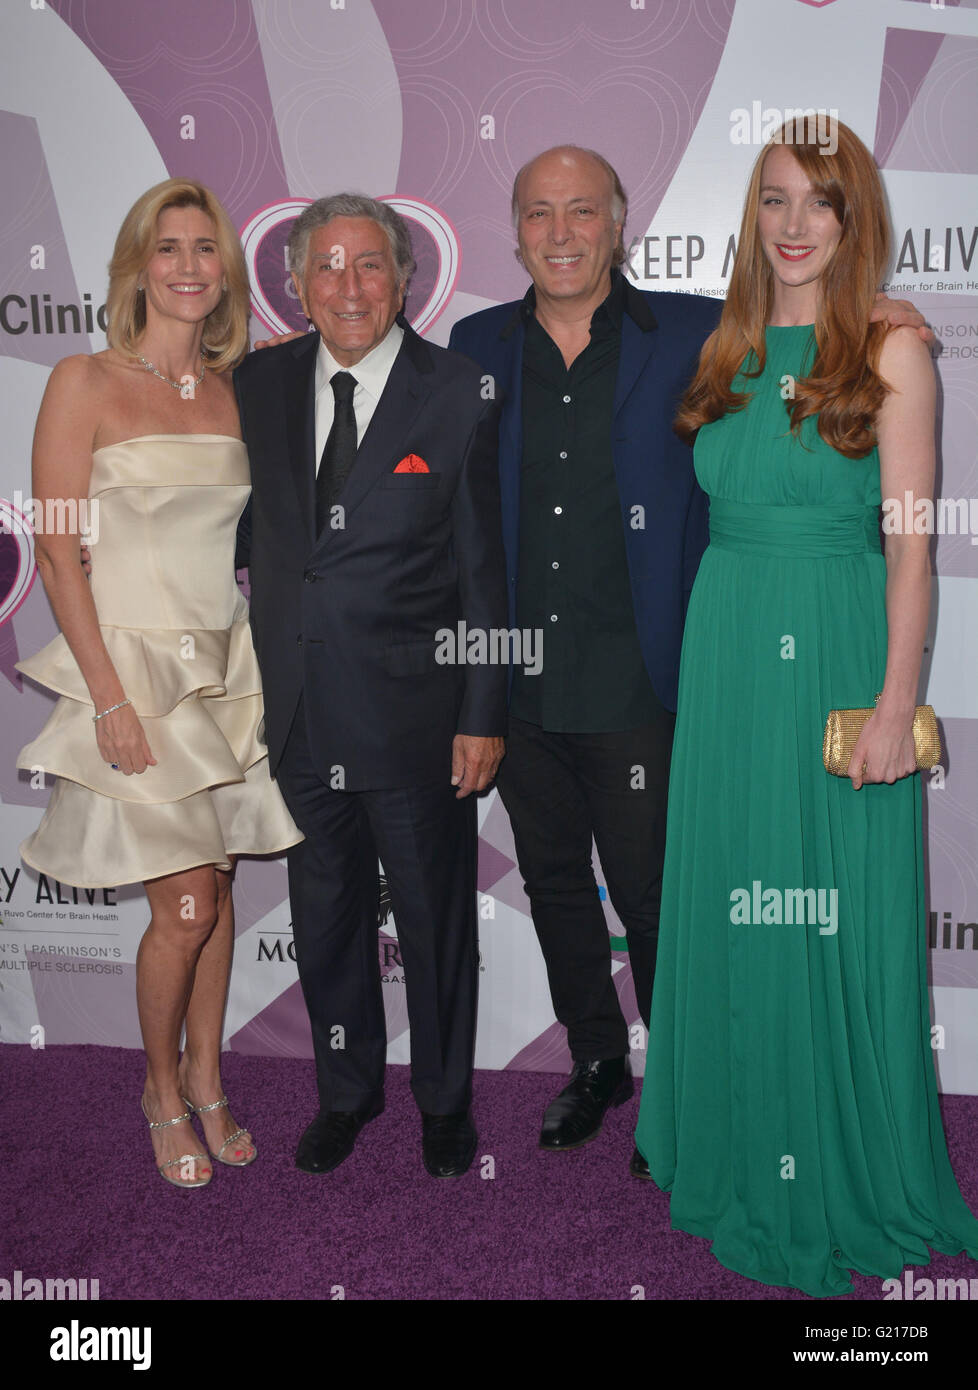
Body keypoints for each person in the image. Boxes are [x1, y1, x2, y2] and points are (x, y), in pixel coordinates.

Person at [448, 145, 928, 1171]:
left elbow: (824, 317)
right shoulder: (471, 344)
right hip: (519, 678)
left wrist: (897, 312)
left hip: (652, 676)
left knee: (664, 894)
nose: (563, 232)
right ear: (516, 228)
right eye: (540, 213)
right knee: (554, 885)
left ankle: (686, 1084)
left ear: (621, 223)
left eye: (585, 210)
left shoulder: (701, 330)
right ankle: (594, 1063)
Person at [633, 119, 978, 1296]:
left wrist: (896, 704)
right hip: (730, 653)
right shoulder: (719, 342)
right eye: (774, 199)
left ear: (853, 219)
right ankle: (730, 1139)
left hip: (835, 648)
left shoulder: (894, 354)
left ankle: (837, 1164)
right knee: (737, 893)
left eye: (819, 204)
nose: (793, 226)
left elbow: (915, 554)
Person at [16, 178, 302, 1189]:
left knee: (217, 888)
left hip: (225, 667)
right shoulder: (82, 381)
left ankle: (211, 1079)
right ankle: (160, 1090)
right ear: (136, 266)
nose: (187, 265)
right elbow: (58, 555)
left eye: (204, 249)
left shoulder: (242, 387)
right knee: (183, 903)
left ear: (224, 271)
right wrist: (107, 697)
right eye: (167, 247)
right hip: (129, 670)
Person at [233, 194, 508, 1179]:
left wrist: (483, 711)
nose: (349, 287)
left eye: (370, 266)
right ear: (298, 286)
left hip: (418, 718)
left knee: (436, 921)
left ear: (405, 280)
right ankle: (346, 1093)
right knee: (326, 916)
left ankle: (444, 1104)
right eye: (328, 267)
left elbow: (485, 569)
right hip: (300, 712)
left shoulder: (459, 389)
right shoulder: (255, 386)